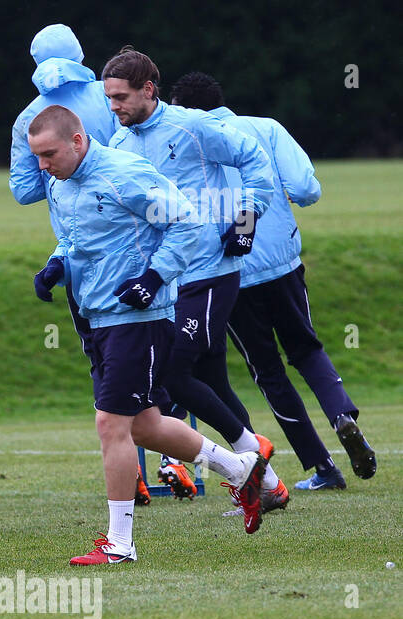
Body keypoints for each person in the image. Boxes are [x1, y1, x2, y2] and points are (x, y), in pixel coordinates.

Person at [26, 106, 270, 563]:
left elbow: (188, 222)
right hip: (94, 315)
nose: (43, 165)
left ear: (77, 141)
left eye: (49, 154)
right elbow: (76, 239)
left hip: (136, 319)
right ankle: (241, 467)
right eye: (36, 156)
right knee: (144, 425)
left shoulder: (127, 174)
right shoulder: (61, 183)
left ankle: (120, 544)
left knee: (110, 424)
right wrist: (56, 264)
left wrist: (154, 278)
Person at [170, 71, 376, 494]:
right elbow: (305, 188)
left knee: (268, 372)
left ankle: (322, 466)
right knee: (307, 348)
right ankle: (342, 416)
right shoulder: (265, 127)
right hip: (283, 262)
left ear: (183, 110)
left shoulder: (182, 142)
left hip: (228, 273)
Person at [102, 46, 285, 506]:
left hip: (209, 269)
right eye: (109, 99)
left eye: (121, 97)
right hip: (167, 279)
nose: (115, 107)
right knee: (212, 381)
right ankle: (266, 483)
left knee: (170, 374)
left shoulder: (194, 126)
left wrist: (246, 220)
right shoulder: (119, 145)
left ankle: (249, 454)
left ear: (148, 89)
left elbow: (255, 160)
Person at [10, 23, 150, 504]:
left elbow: (24, 190)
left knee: (111, 376)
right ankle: (185, 464)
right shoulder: (110, 95)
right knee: (160, 378)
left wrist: (50, 170)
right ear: (81, 53)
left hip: (84, 257)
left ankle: (140, 480)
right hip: (135, 247)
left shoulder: (31, 116)